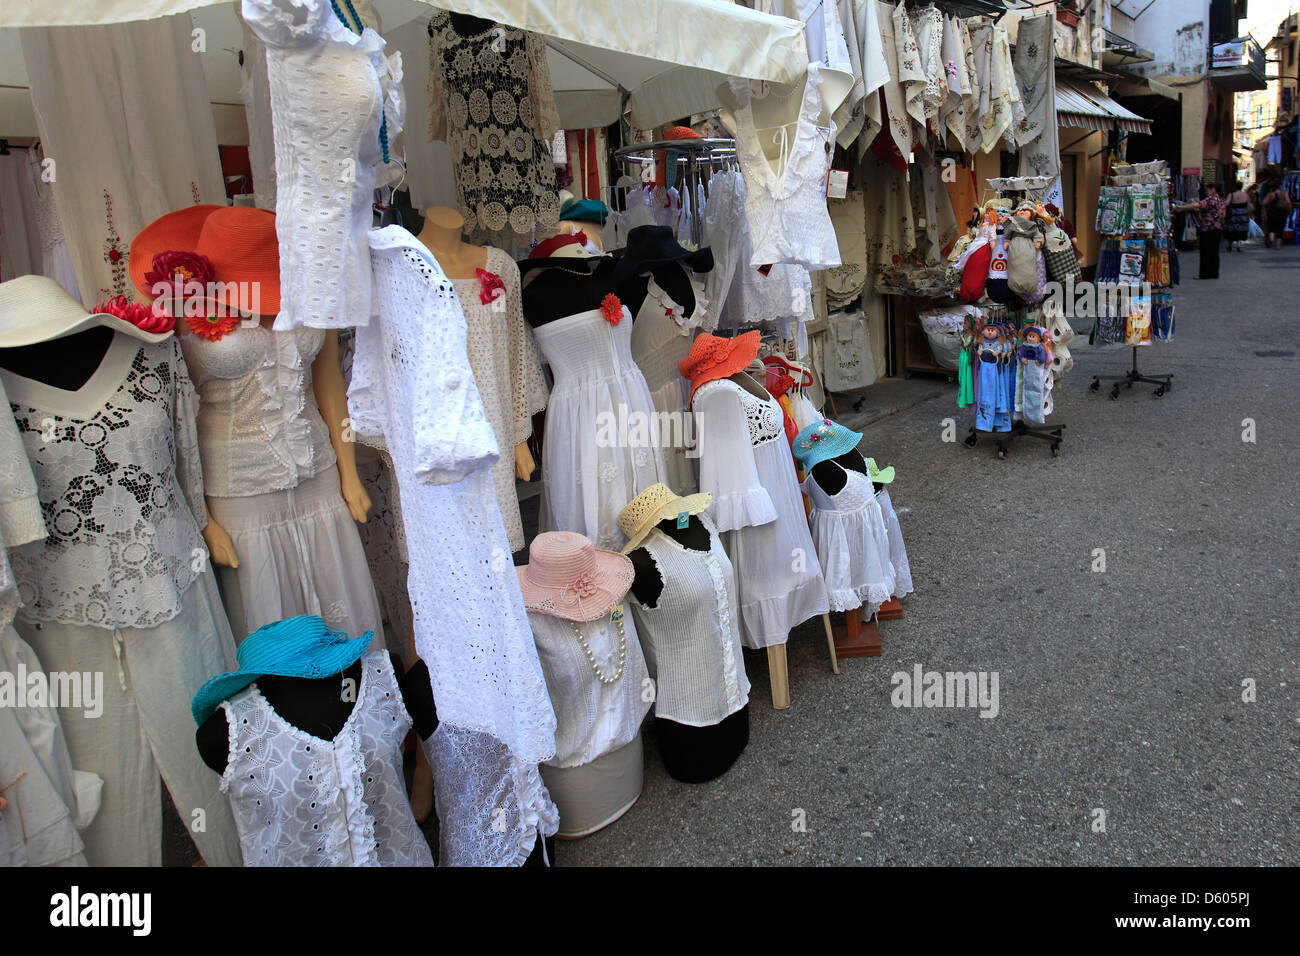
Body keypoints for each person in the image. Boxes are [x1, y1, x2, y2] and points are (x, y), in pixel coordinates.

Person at [1175, 183, 1226, 279]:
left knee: (1205, 252)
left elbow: (1197, 205)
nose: (1206, 192)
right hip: (1217, 228)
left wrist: (1181, 207)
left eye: (1207, 190)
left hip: (1207, 228)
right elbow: (1223, 215)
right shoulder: (1222, 201)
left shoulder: (1210, 199)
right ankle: (1214, 273)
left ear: (1213, 189)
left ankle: (1204, 273)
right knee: (1214, 252)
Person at [1262, 179, 1293, 250]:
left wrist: (1264, 213)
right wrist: (1289, 211)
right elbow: (1288, 202)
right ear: (1280, 186)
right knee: (1280, 230)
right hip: (1282, 214)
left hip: (1272, 214)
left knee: (1272, 228)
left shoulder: (1271, 195)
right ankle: (1278, 246)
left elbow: (1263, 203)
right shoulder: (1285, 193)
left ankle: (1272, 240)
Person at [1223, 180, 1250, 252]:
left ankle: (1229, 245)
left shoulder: (1231, 194)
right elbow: (1249, 205)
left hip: (1233, 214)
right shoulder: (1246, 195)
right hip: (1243, 215)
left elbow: (1227, 203)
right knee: (1240, 230)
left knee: (1231, 230)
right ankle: (1238, 245)